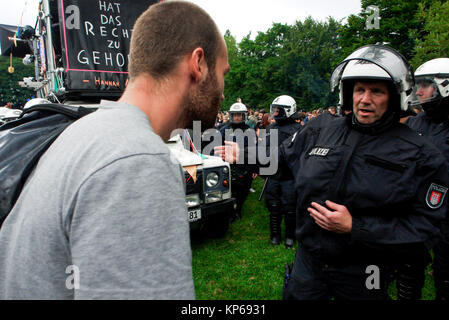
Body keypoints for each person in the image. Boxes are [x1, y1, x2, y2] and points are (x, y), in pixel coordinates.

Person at [0, 1, 229, 300]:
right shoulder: (137, 161)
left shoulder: (84, 132)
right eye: (223, 73)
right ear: (198, 64)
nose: (223, 92)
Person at [280, 45, 449, 300]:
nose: (365, 99)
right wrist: (247, 156)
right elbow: (282, 160)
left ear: (394, 96)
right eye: (359, 90)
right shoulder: (321, 129)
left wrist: (355, 227)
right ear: (348, 94)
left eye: (377, 91)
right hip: (309, 263)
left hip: (367, 270)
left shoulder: (421, 153)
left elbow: (424, 227)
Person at [402, 58, 449, 300]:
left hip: (446, 214)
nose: (418, 91)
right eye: (417, 84)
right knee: (408, 270)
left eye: (425, 84)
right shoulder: (415, 122)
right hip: (415, 209)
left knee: (445, 270)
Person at [262, 95, 302, 248]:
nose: (275, 113)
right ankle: (275, 235)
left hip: (289, 175)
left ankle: (290, 236)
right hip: (273, 173)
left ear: (289, 110)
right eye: (275, 110)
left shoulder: (298, 129)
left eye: (279, 110)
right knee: (273, 205)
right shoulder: (270, 128)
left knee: (290, 207)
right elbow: (263, 150)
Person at [215, 102, 257, 221]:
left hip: (245, 163)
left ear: (244, 116)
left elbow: (255, 150)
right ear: (231, 115)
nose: (237, 117)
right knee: (230, 189)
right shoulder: (223, 130)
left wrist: (254, 168)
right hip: (228, 164)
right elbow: (217, 147)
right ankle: (230, 210)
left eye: (239, 115)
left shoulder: (250, 131)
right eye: (235, 115)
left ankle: (238, 209)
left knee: (244, 189)